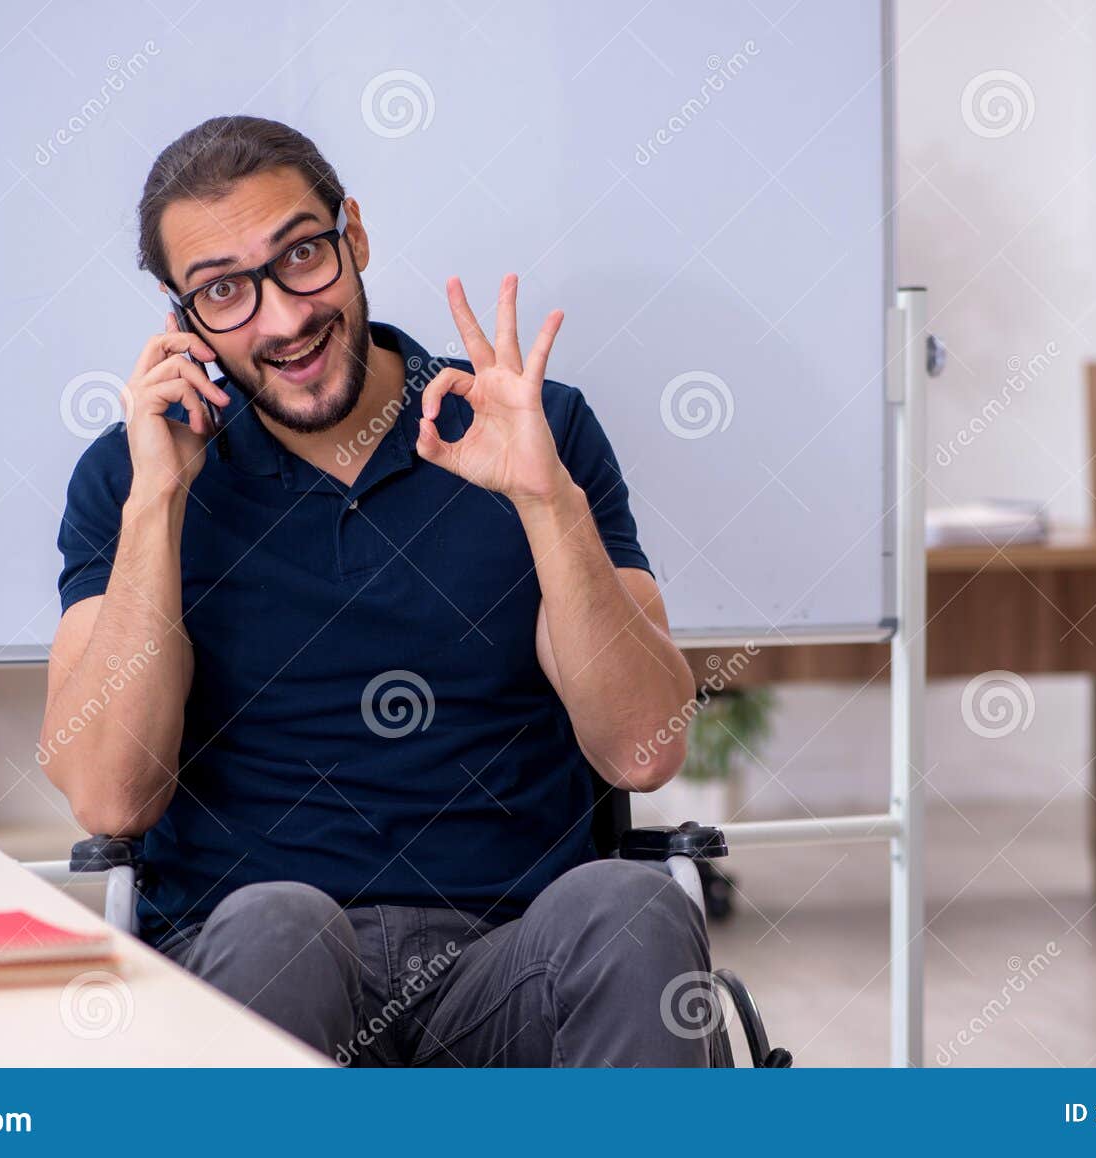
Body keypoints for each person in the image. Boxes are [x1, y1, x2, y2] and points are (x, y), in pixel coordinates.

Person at [41, 115, 708, 1066]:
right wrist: (160, 503)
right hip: (258, 971)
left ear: (353, 235)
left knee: (632, 908)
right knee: (282, 926)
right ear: (179, 316)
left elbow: (643, 750)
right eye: (223, 289)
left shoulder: (524, 427)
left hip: (509, 962)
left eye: (302, 255)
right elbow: (111, 797)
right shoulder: (130, 479)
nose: (282, 318)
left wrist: (544, 502)